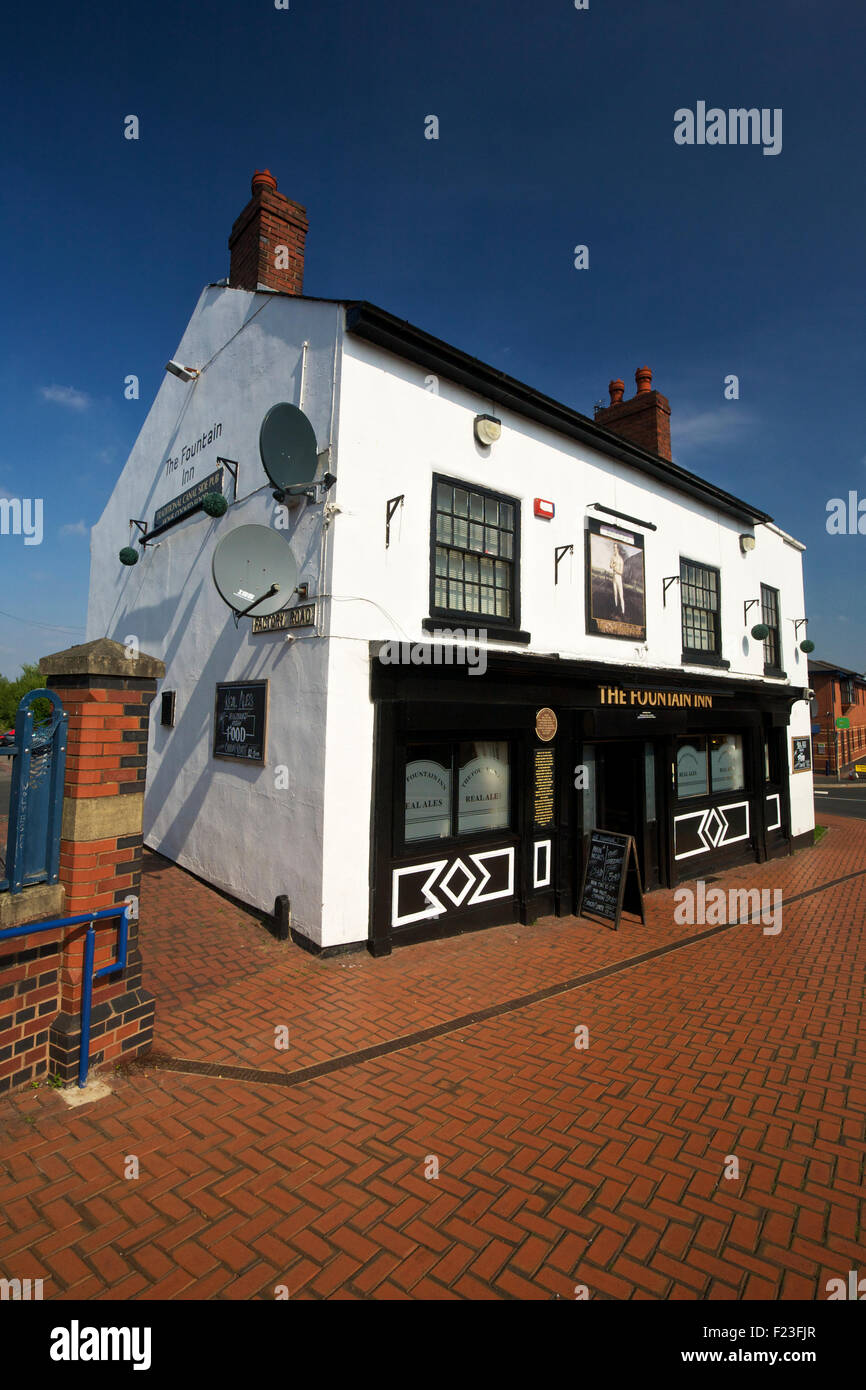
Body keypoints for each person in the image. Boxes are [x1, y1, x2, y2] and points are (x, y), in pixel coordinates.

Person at [609, 543, 625, 616]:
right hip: (614, 577)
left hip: (618, 577)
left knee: (620, 595)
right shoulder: (613, 557)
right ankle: (616, 609)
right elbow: (610, 565)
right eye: (613, 548)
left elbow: (621, 572)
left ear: (618, 549)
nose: (614, 549)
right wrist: (612, 565)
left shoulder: (621, 560)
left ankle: (623, 611)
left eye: (615, 548)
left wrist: (615, 568)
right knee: (615, 593)